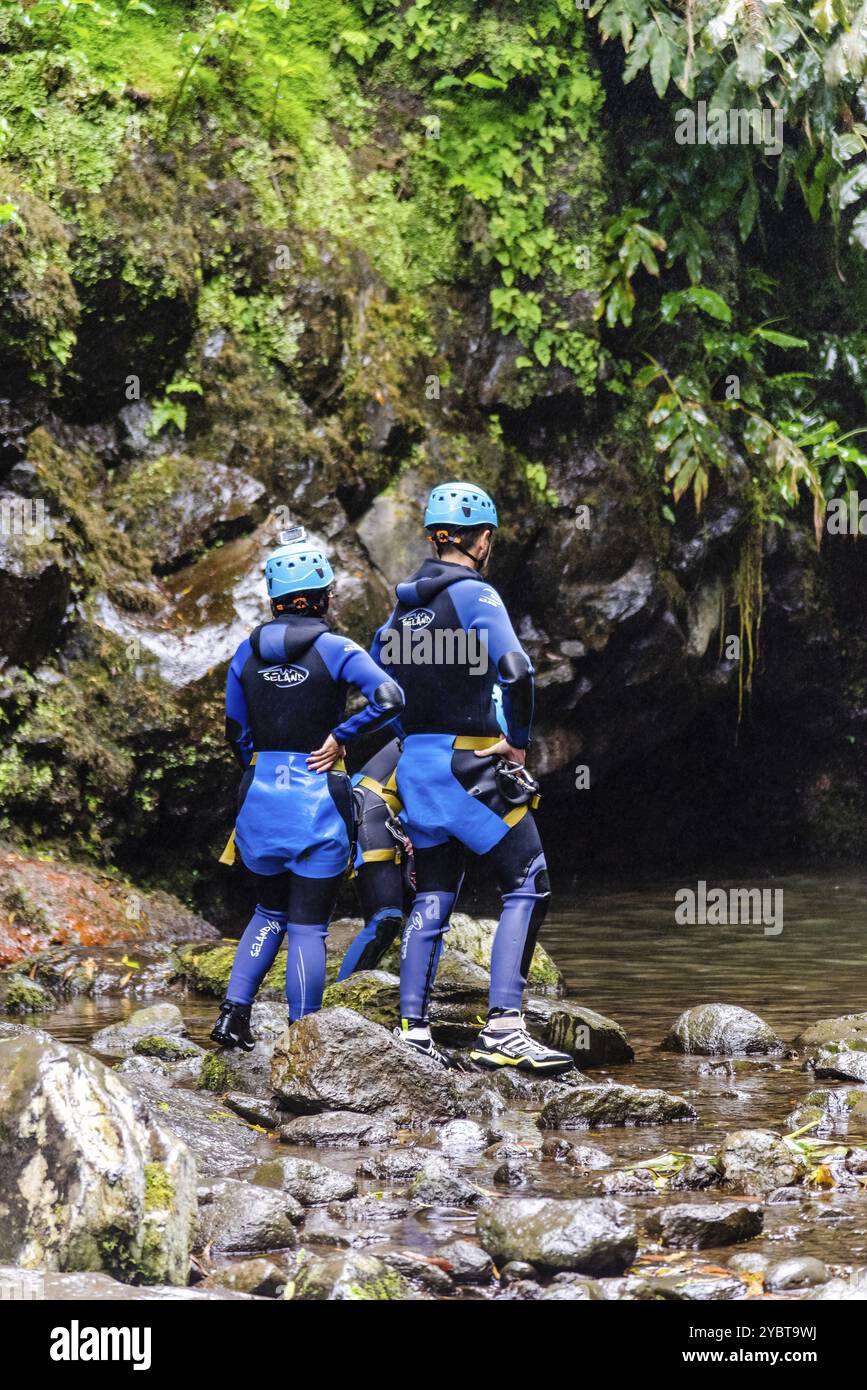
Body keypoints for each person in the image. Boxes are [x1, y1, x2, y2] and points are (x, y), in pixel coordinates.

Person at [370, 481, 573, 1074]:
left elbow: (382, 689)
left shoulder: (404, 605)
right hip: (469, 762)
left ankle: (413, 1030)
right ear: (481, 539)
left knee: (434, 890)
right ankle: (506, 1029)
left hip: (417, 767)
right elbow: (517, 669)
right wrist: (520, 742)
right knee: (528, 882)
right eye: (490, 536)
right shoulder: (476, 595)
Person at [211, 527, 404, 1050]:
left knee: (267, 911)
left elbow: (235, 731)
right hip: (315, 800)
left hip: (258, 800)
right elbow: (390, 697)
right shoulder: (336, 648)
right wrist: (341, 738)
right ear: (324, 596)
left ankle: (232, 1017)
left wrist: (258, 767)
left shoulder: (244, 653)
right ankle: (302, 1036)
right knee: (306, 926)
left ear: (273, 600)